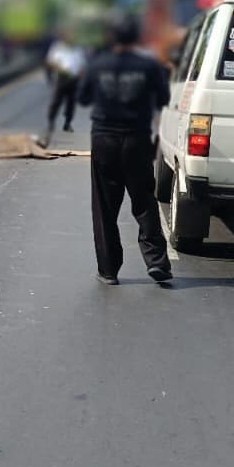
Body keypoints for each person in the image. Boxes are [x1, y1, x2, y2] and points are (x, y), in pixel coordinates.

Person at [77, 17, 173, 285]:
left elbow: (83, 98)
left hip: (104, 140)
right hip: (137, 140)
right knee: (143, 201)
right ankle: (157, 263)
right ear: (136, 38)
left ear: (112, 38)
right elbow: (163, 98)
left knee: (105, 207)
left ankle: (108, 270)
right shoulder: (149, 66)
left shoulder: (97, 65)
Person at [43, 28, 86, 144]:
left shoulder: (78, 49)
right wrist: (58, 68)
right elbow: (50, 61)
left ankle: (68, 122)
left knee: (71, 103)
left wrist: (82, 76)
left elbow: (82, 64)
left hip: (74, 79)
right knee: (56, 101)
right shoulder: (57, 48)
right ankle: (51, 122)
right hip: (62, 78)